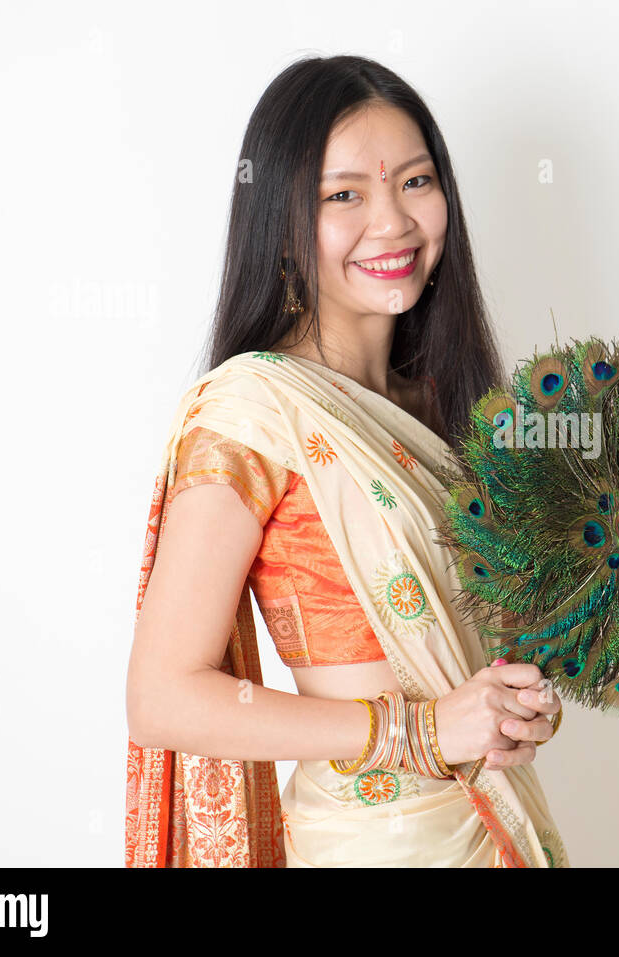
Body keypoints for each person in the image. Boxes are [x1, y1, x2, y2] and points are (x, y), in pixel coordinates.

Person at [124, 54, 569, 867]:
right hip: (371, 843)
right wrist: (421, 728)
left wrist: (516, 703)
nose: (393, 222)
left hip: (496, 827)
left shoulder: (447, 405)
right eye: (343, 195)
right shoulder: (253, 412)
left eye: (415, 181)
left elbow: (467, 648)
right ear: (283, 224)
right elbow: (160, 696)